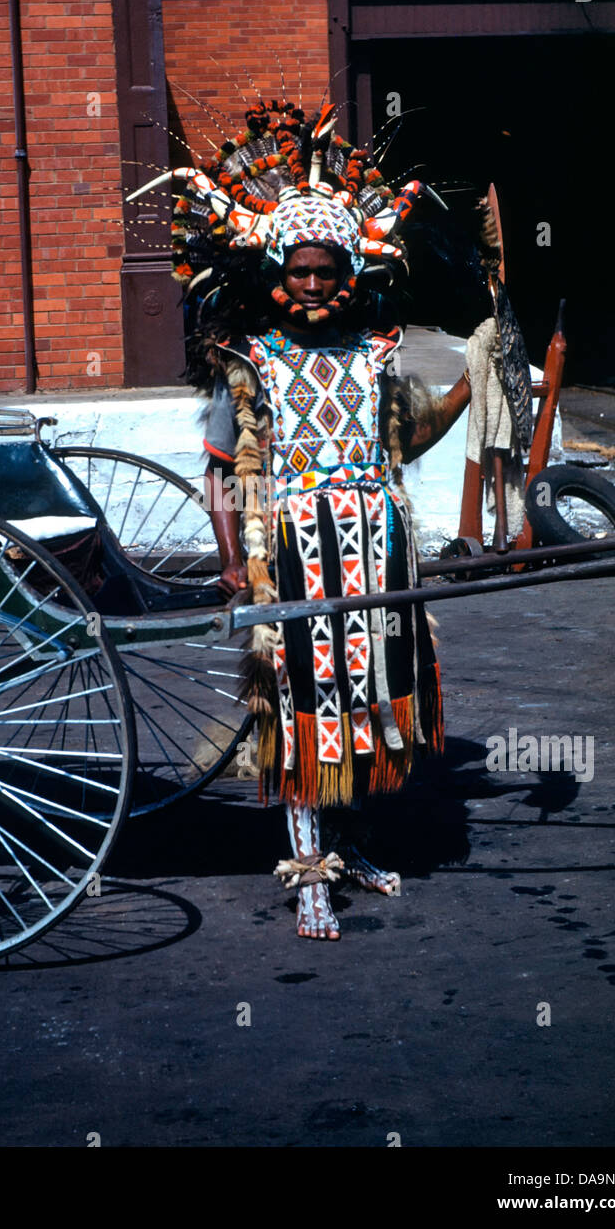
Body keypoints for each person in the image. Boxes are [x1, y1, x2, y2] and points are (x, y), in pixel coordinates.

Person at [143, 98, 474, 938]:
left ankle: (354, 840)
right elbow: (220, 467)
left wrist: (477, 381)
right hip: (290, 554)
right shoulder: (246, 360)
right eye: (301, 273)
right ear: (275, 274)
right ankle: (309, 870)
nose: (315, 286)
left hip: (377, 552)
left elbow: (405, 436)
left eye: (328, 272)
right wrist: (229, 559)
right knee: (301, 705)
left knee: (367, 699)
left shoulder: (374, 355)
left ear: (349, 274)